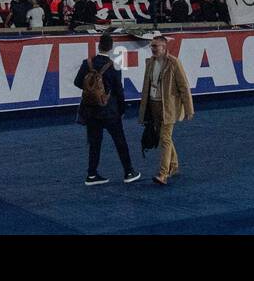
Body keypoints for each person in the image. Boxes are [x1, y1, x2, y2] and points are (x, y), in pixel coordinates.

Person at [73, 33, 140, 186]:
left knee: (94, 142)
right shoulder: (113, 65)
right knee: (120, 141)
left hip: (90, 110)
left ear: (98, 45)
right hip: (110, 111)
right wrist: (122, 109)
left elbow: (78, 82)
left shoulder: (87, 63)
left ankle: (91, 174)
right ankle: (128, 172)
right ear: (111, 47)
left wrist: (91, 88)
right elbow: (119, 90)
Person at [138, 34, 194, 186]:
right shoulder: (149, 62)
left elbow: (184, 86)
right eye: (152, 46)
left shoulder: (174, 63)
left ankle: (163, 174)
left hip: (168, 106)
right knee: (165, 137)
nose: (153, 49)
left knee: (164, 138)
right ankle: (174, 165)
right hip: (153, 104)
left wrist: (189, 109)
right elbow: (146, 86)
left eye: (155, 46)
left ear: (164, 47)